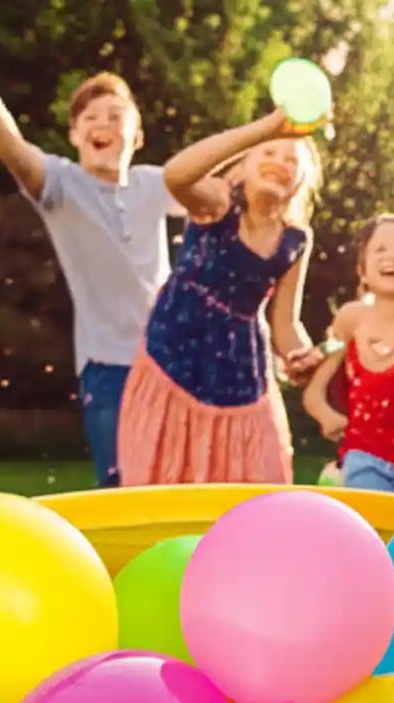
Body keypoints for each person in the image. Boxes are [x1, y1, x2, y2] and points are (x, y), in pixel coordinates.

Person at [0, 8, 321, 488]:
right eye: (90, 118)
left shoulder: (150, 184)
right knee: (127, 491)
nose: (102, 123)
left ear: (136, 136)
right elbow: (12, 148)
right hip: (113, 363)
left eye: (116, 116)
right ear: (75, 136)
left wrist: (277, 159)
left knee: (194, 484)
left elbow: (224, 204)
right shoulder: (61, 185)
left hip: (189, 357)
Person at [116, 109, 322, 486]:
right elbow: (176, 174)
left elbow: (285, 323)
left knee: (251, 493)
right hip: (173, 365)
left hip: (243, 382)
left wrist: (300, 355)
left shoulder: (295, 240)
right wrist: (266, 128)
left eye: (292, 160)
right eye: (269, 152)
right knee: (165, 485)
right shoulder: (218, 203)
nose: (280, 163)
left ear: (302, 181)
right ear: (243, 166)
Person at [303, 214, 394, 497]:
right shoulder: (352, 320)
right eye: (380, 249)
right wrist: (326, 415)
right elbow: (314, 389)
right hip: (364, 459)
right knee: (373, 527)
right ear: (363, 271)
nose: (392, 256)